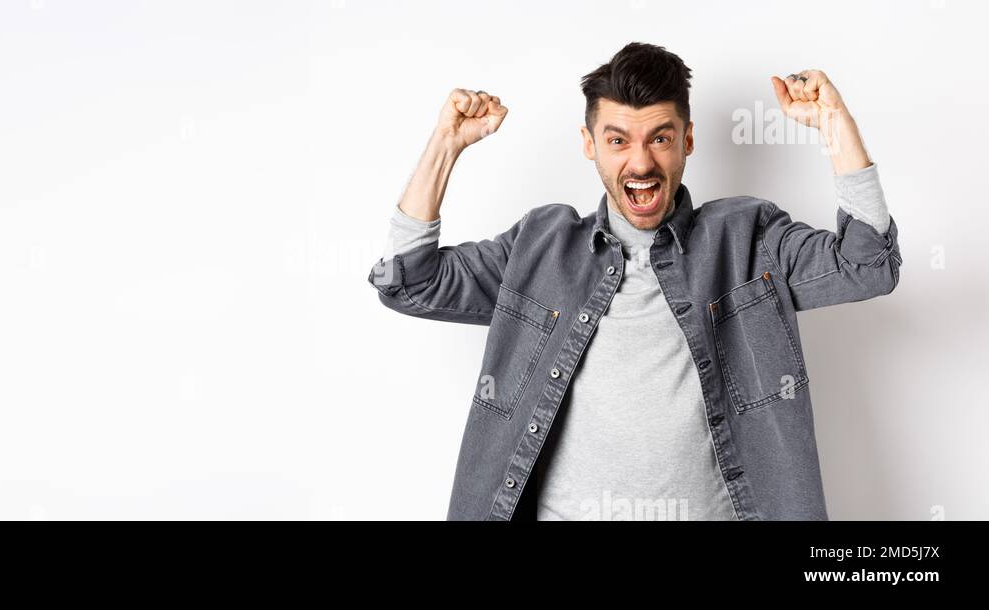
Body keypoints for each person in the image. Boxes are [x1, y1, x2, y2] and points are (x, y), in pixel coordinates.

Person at [367, 42, 900, 521]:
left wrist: (836, 125)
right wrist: (445, 144)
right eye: (618, 140)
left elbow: (867, 266)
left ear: (687, 140)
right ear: (589, 144)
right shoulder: (539, 246)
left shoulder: (748, 237)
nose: (641, 162)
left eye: (660, 138)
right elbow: (408, 282)